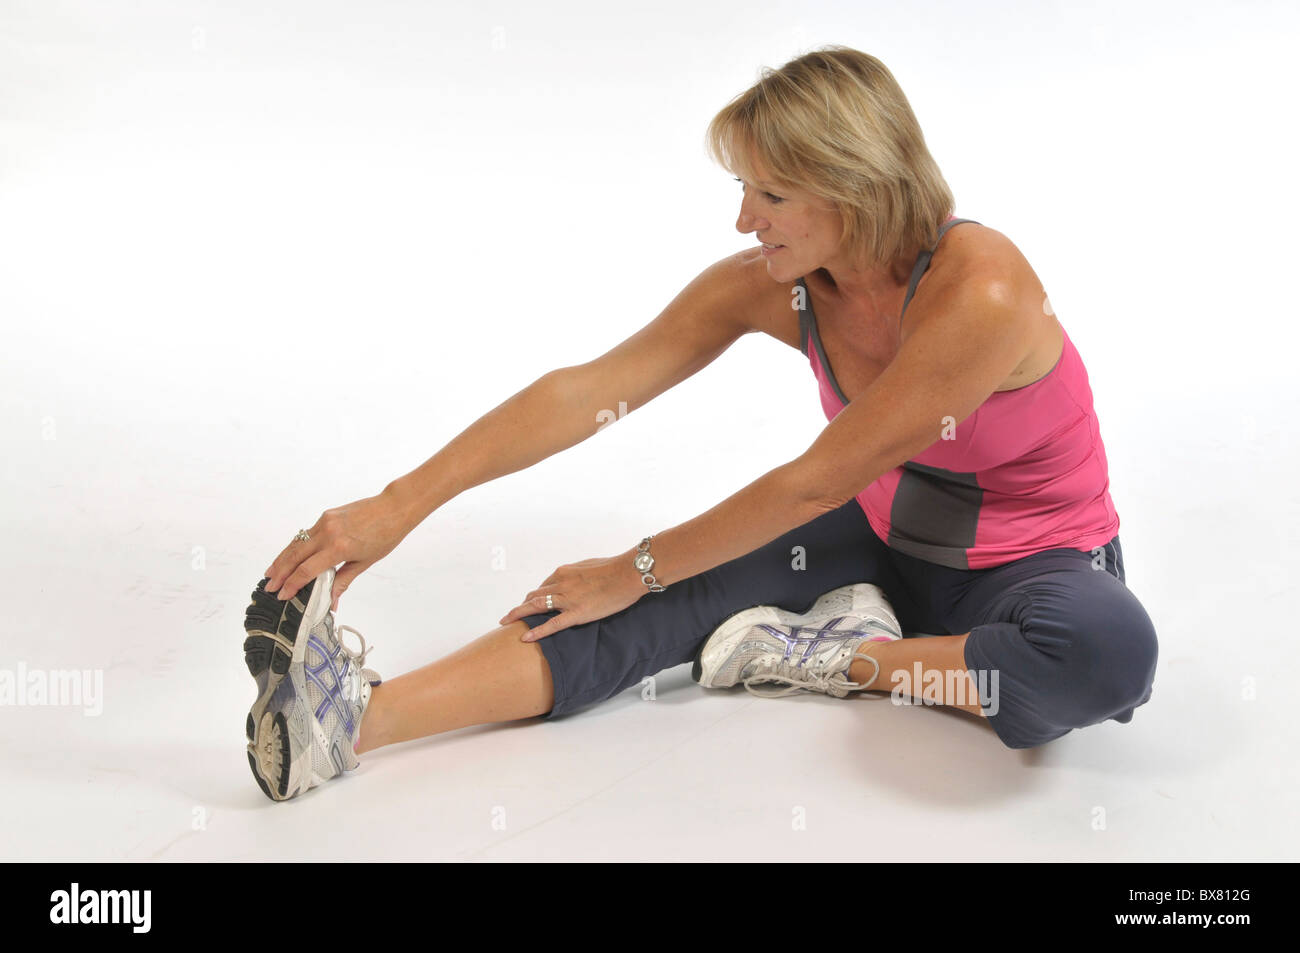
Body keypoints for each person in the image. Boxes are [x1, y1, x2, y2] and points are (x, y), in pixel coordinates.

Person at [242, 46, 1159, 802]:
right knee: (628, 602)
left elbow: (816, 479)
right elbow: (590, 389)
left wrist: (635, 561)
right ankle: (347, 720)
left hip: (1030, 569)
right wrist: (400, 504)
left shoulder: (982, 290)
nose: (742, 219)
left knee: (1105, 653)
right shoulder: (782, 290)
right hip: (876, 537)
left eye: (769, 194)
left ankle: (849, 659)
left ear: (850, 184)